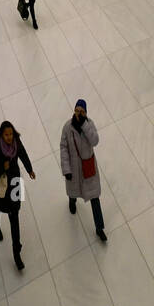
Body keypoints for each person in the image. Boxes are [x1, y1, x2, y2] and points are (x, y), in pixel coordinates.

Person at [0, 121, 35, 269]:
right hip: (1, 183)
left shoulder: (16, 143)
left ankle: (16, 253)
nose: (9, 137)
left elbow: (23, 154)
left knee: (15, 215)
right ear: (1, 134)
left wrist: (29, 169)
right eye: (6, 134)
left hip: (15, 183)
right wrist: (2, 167)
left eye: (11, 134)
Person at [60, 101, 107, 241]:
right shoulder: (67, 127)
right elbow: (63, 148)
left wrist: (85, 126)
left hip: (88, 168)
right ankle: (72, 201)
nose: (79, 113)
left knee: (94, 197)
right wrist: (66, 169)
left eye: (82, 111)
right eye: (77, 110)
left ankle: (100, 228)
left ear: (86, 112)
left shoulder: (89, 124)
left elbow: (95, 141)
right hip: (74, 169)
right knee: (74, 190)